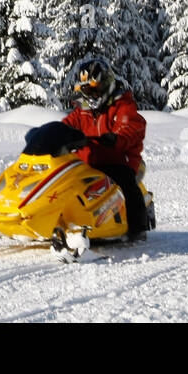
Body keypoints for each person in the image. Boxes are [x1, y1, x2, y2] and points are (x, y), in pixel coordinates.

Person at [62, 56, 149, 239]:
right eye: (86, 89)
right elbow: (67, 125)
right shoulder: (82, 110)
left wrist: (116, 138)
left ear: (107, 84)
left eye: (95, 88)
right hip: (88, 162)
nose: (92, 94)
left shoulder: (123, 105)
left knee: (125, 181)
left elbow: (131, 127)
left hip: (118, 161)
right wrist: (57, 135)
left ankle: (138, 227)